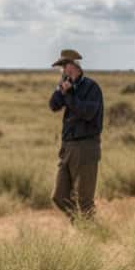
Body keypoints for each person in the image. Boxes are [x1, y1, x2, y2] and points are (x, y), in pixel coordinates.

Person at [49, 49, 104, 221]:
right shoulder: (66, 85)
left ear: (73, 66)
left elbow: (87, 113)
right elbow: (53, 105)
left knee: (84, 200)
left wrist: (71, 94)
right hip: (67, 147)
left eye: (63, 66)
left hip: (86, 146)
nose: (62, 70)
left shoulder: (91, 87)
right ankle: (80, 225)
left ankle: (93, 234)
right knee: (59, 197)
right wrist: (61, 91)